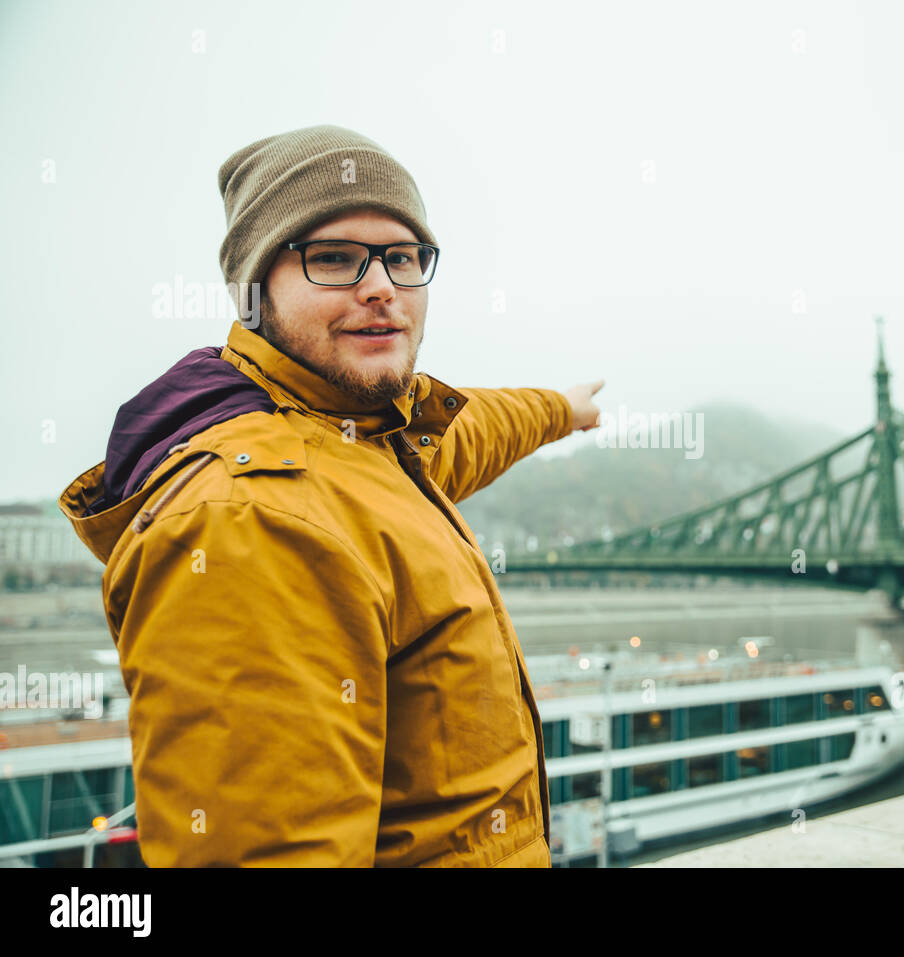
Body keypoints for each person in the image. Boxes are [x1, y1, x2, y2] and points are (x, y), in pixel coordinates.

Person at [59, 125, 603, 867]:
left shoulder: (370, 442)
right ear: (255, 290)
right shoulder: (250, 519)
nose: (381, 285)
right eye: (335, 257)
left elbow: (473, 427)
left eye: (403, 257)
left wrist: (560, 409)